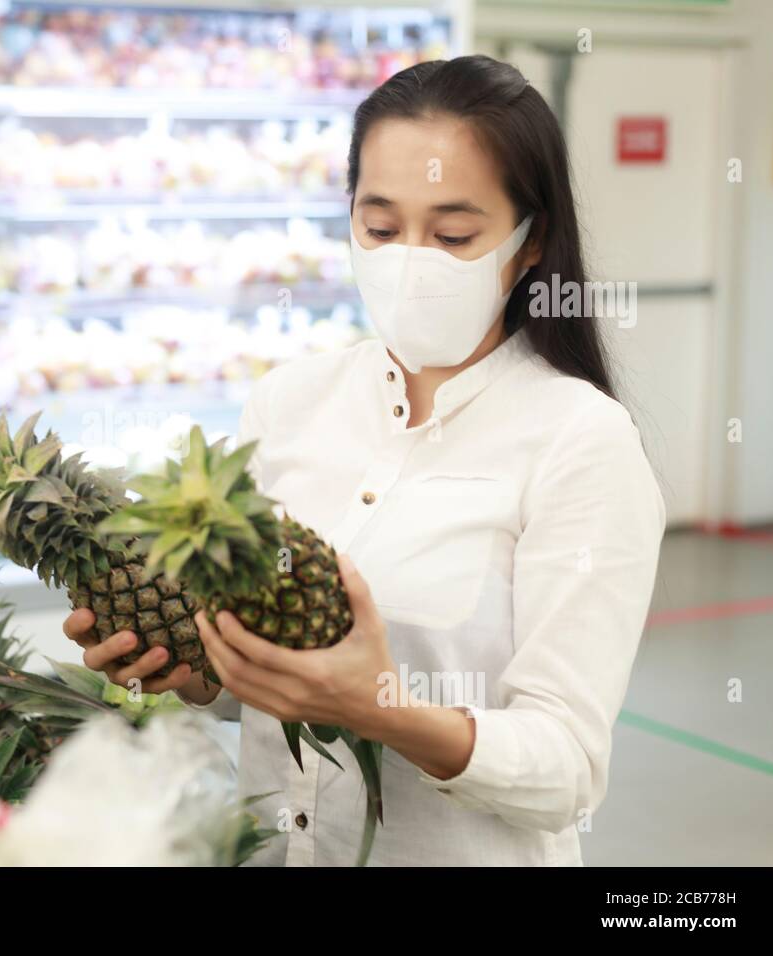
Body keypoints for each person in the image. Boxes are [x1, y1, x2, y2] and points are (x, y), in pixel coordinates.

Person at [64, 55, 666, 866]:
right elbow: (259, 680)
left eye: (453, 234)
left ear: (531, 244)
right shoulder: (288, 405)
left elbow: (567, 768)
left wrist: (389, 712)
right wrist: (192, 672)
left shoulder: (579, 442)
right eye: (379, 227)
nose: (408, 258)